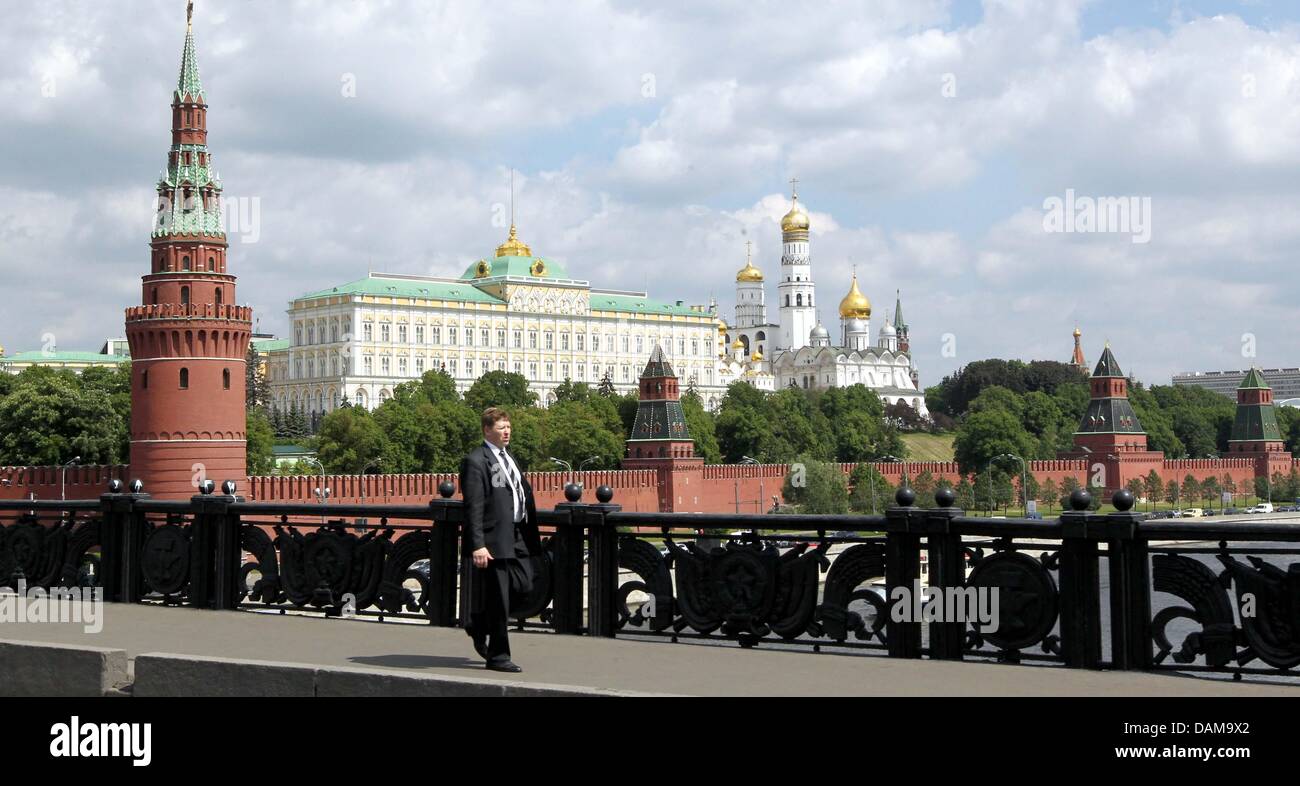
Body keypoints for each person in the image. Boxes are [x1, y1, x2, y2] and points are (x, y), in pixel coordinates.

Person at [458, 407, 542, 672]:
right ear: (487, 430)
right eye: (501, 427)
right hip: (494, 540)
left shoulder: (509, 457)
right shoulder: (476, 460)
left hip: (517, 534)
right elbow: (473, 506)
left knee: (527, 586)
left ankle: (479, 622)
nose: (507, 431)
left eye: (508, 427)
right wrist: (478, 544)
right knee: (500, 599)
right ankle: (498, 657)